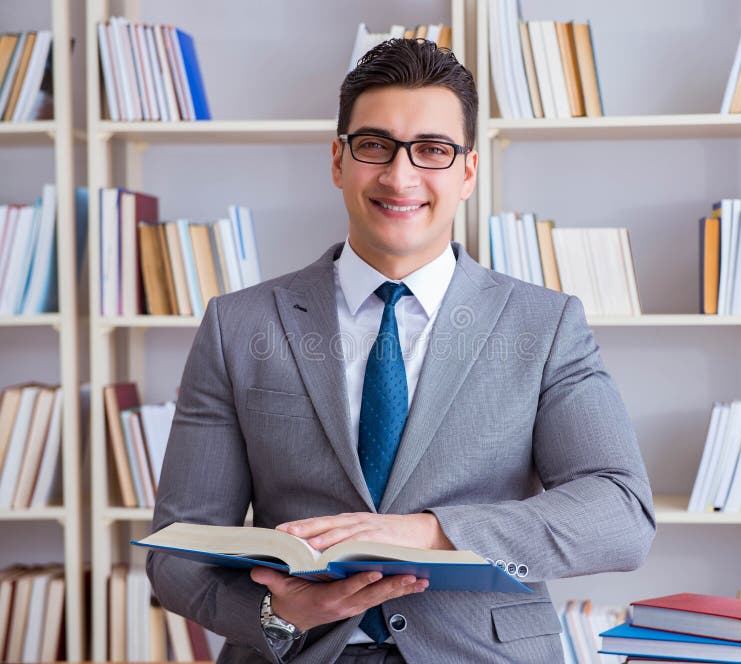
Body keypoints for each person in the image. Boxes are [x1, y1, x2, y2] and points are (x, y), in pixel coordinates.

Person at [147, 38, 655, 664]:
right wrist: (279, 611)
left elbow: (620, 513)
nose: (399, 175)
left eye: (433, 150)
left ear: (468, 171)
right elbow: (174, 553)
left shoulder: (545, 323)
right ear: (338, 160)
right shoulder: (240, 324)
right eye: (374, 145)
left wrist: (430, 533)